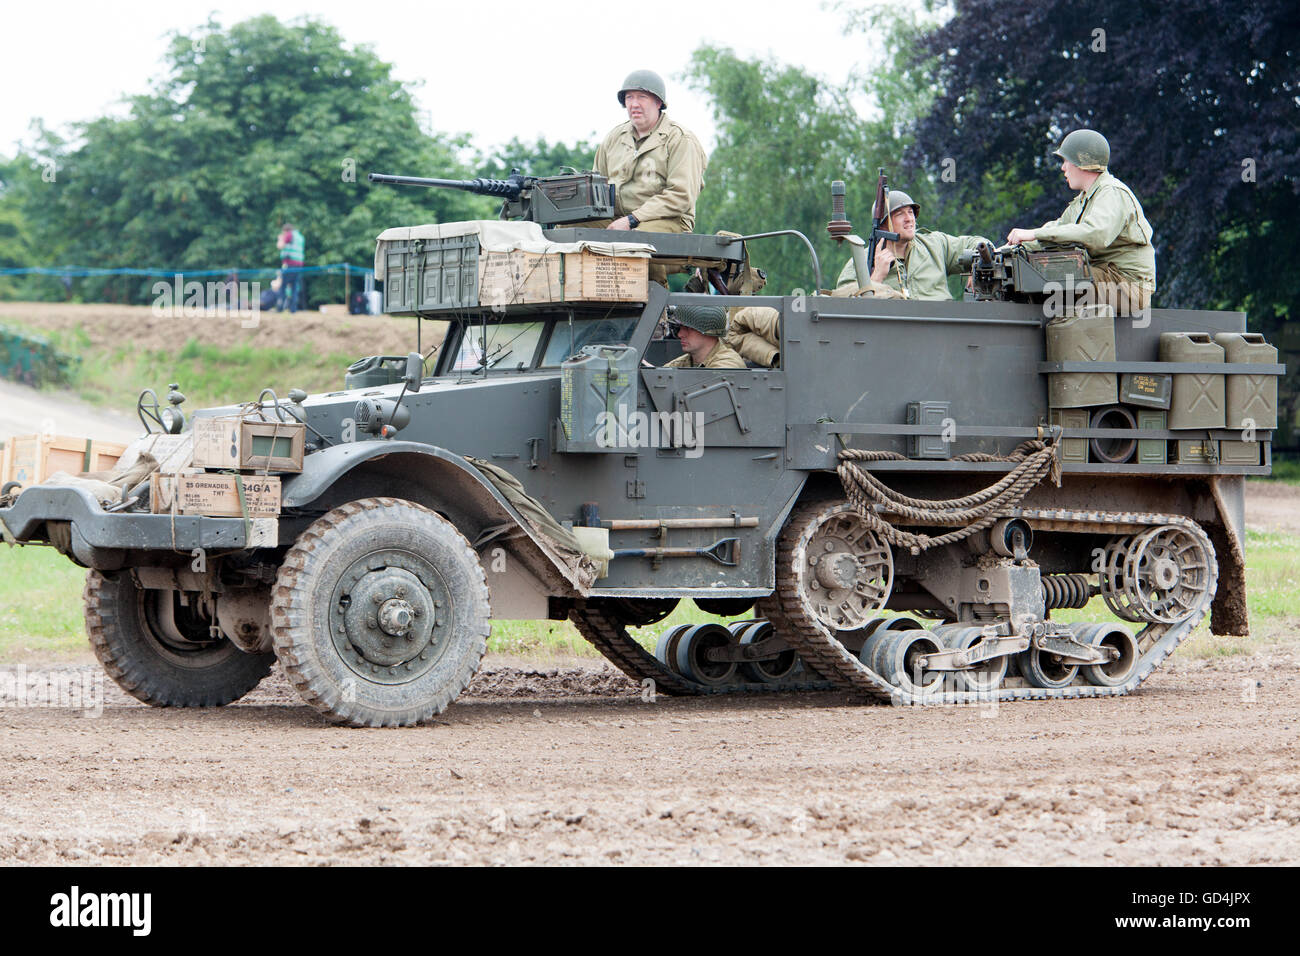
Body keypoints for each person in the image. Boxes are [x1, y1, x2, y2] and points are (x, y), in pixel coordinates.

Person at [1006, 129, 1154, 313]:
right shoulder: (1082, 201)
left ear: (1081, 163)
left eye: (1066, 161)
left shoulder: (1112, 193)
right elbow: (1053, 235)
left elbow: (1096, 234)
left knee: (1051, 281)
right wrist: (1003, 254)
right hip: (1104, 277)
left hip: (1127, 286)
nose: (1063, 168)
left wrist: (1034, 233)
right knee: (1025, 279)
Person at [593, 70, 708, 235]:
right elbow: (597, 185)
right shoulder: (614, 138)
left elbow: (681, 195)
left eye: (642, 97)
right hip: (616, 218)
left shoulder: (680, 140)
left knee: (636, 239)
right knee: (566, 229)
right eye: (629, 97)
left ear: (658, 102)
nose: (634, 104)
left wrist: (632, 219)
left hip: (668, 220)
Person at [835, 190, 992, 300]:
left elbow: (980, 244)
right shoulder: (861, 261)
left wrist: (978, 260)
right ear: (883, 225)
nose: (909, 218)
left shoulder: (935, 244)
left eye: (910, 212)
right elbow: (844, 305)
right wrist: (877, 278)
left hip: (942, 329)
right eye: (899, 214)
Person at [664, 305, 746, 369]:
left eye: (688, 328)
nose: (680, 334)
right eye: (680, 328)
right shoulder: (687, 361)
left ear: (708, 331)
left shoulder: (728, 363)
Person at [276, 222, 305, 312]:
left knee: (283, 285)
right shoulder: (300, 237)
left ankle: (280, 308)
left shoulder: (289, 235)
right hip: (299, 265)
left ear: (285, 230)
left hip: (289, 264)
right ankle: (293, 309)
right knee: (294, 286)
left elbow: (280, 246)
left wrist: (280, 238)